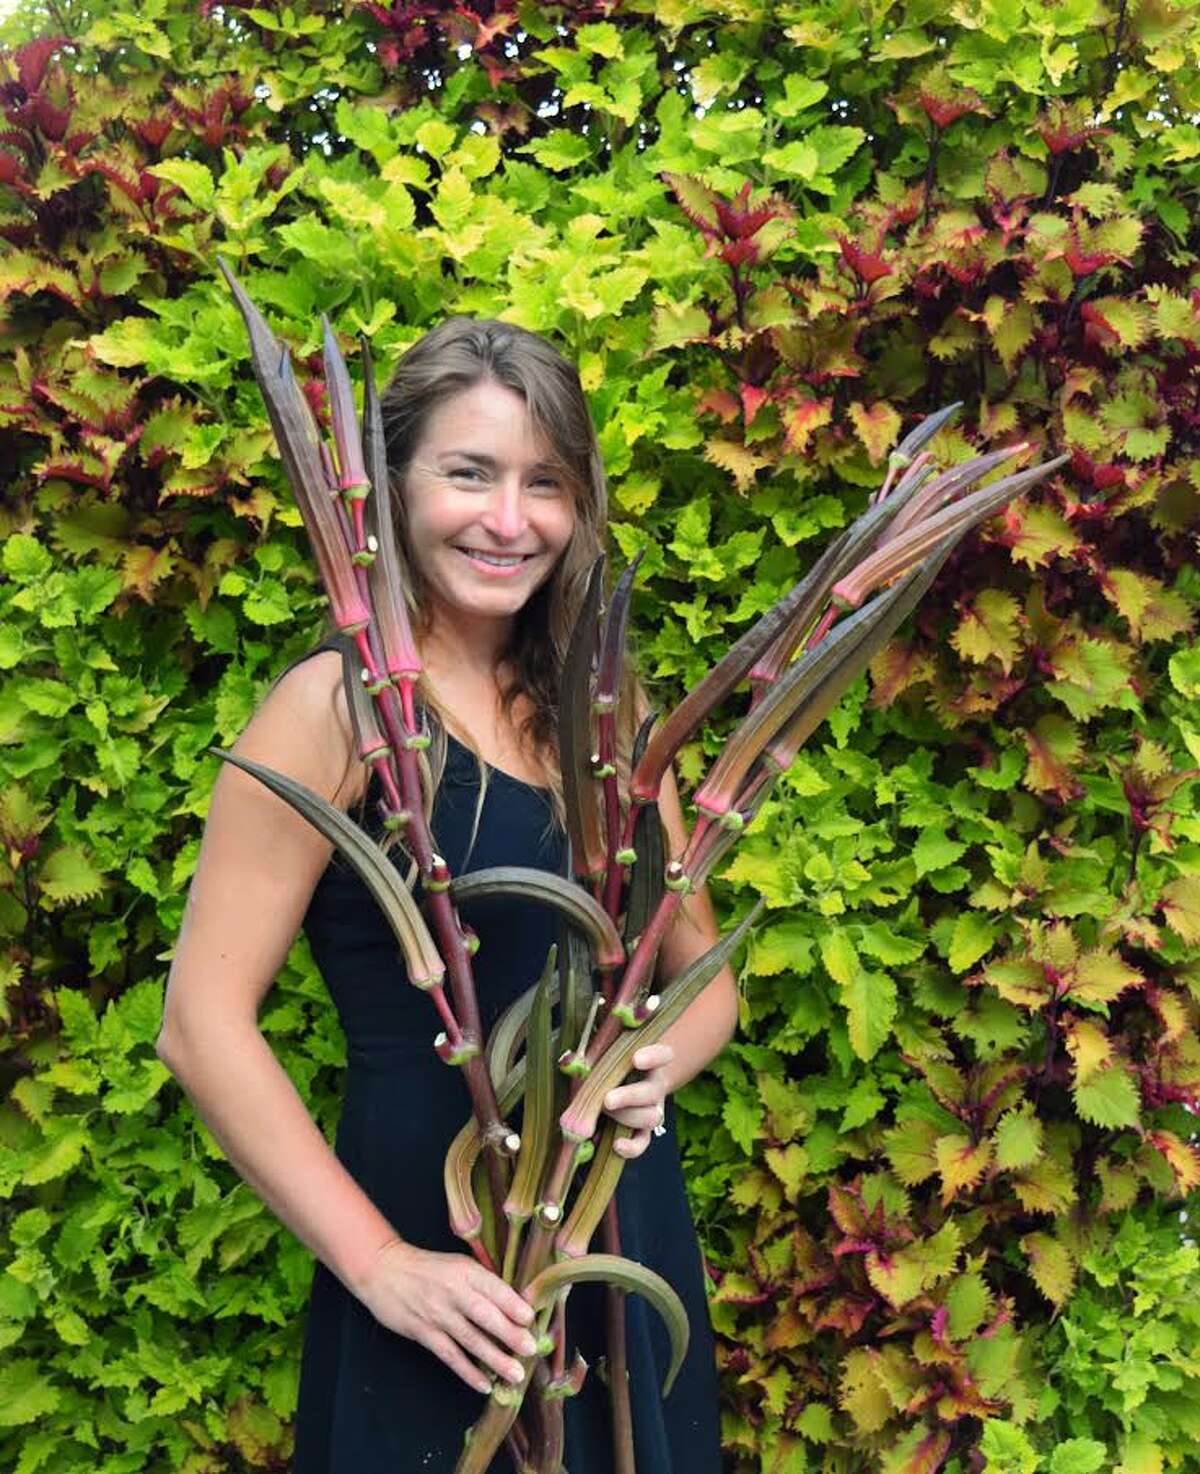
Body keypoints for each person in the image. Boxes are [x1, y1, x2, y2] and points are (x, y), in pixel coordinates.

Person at [156, 317, 739, 1473]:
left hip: (619, 1237)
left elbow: (700, 976)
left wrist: (656, 1065)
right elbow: (199, 1025)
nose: (509, 521)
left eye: (544, 483)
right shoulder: (339, 709)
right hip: (444, 1257)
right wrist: (380, 1266)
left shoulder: (600, 703)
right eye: (468, 473)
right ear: (391, 486)